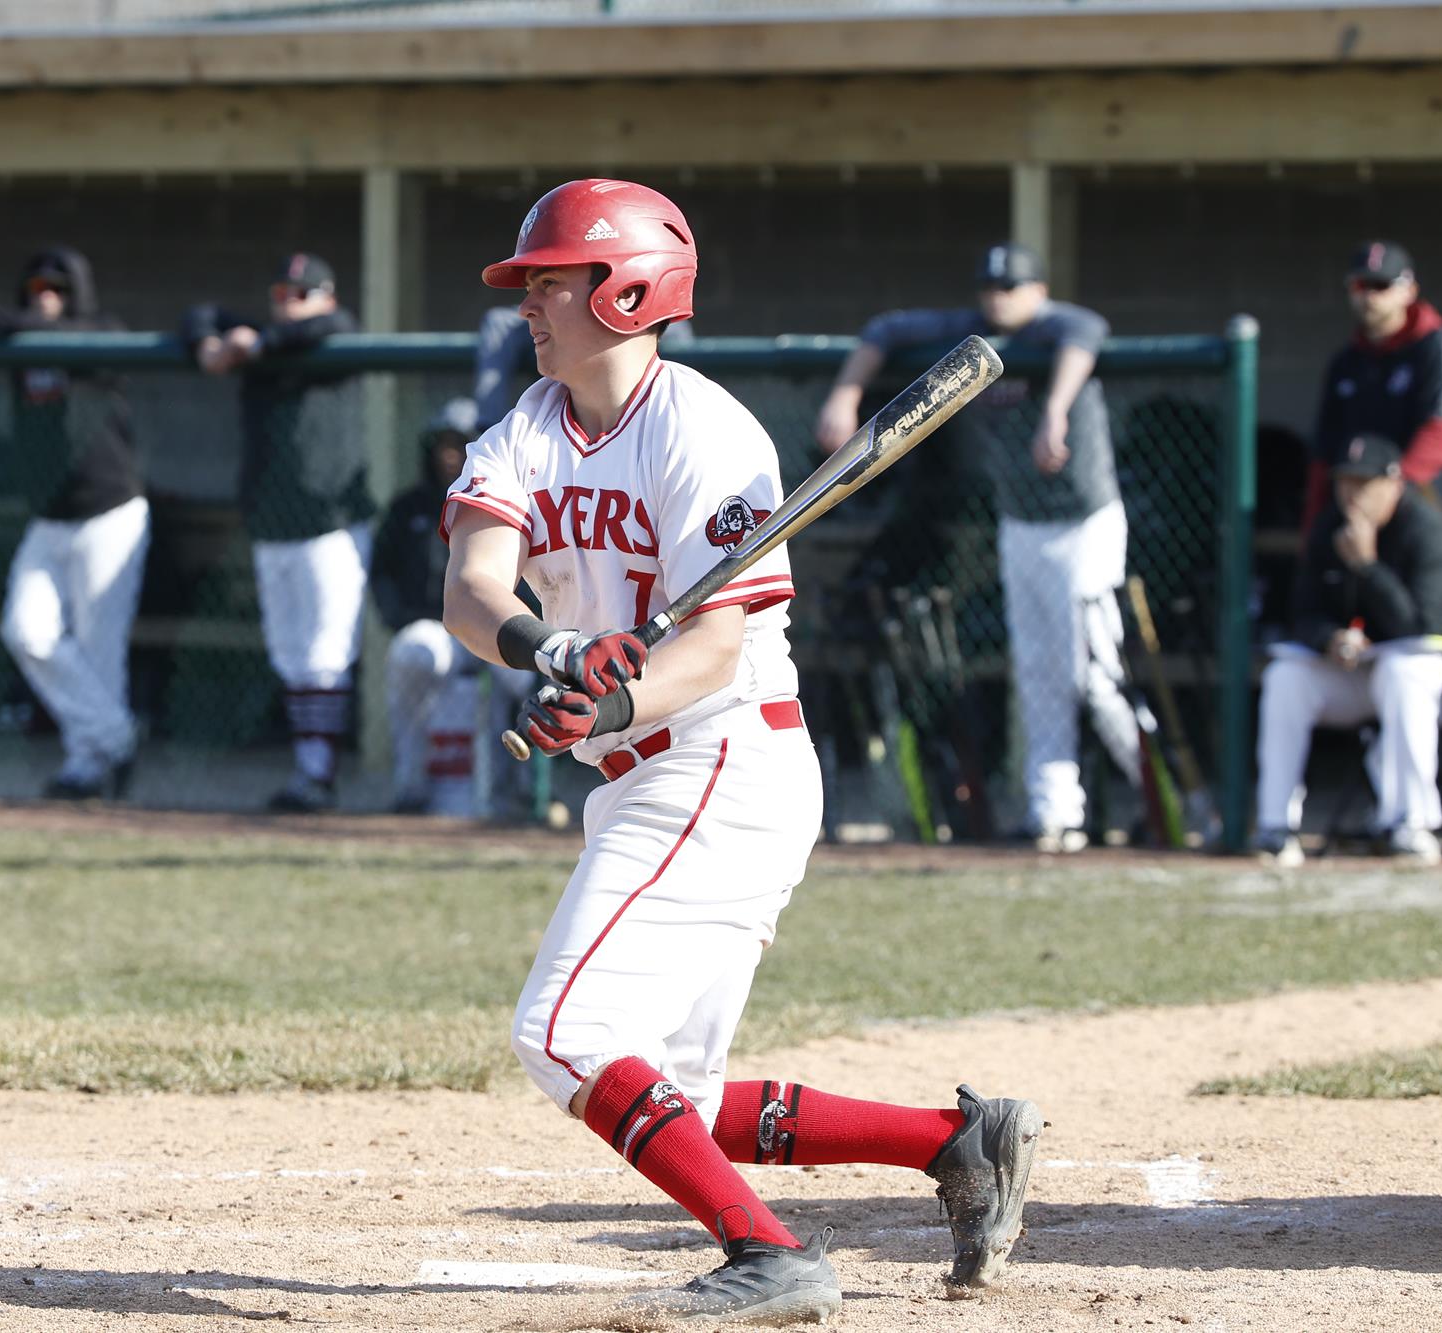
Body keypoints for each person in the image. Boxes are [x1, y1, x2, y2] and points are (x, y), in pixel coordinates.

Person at [441, 178, 1042, 1324]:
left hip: (720, 761)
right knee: (678, 1095)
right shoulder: (525, 426)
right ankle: (957, 1143)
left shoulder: (701, 430)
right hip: (644, 782)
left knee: (561, 1034)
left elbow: (713, 649)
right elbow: (472, 588)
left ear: (624, 290)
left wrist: (612, 706)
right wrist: (554, 649)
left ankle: (767, 1256)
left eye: (550, 280)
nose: (529, 302)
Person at [815, 242, 1140, 852]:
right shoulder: (970, 331)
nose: (999, 298)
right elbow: (884, 329)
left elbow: (1088, 331)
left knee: (1096, 675)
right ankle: (1055, 812)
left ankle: (1159, 791)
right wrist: (845, 393)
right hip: (1020, 520)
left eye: (1013, 287)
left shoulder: (1055, 325)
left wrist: (1056, 411)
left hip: (1085, 521)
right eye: (991, 288)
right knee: (1039, 672)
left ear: (1039, 290)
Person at [0, 247, 149, 800]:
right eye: (37, 288)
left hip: (108, 513)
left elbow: (26, 328)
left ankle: (87, 766)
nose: (46, 297)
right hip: (49, 517)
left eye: (58, 288)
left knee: (99, 652)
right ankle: (116, 738)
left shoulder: (101, 330)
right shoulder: (13, 334)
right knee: (25, 630)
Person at [184, 253, 371, 813]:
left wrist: (258, 344)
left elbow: (332, 326)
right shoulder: (261, 338)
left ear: (324, 294)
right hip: (271, 522)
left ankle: (319, 772)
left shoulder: (329, 336)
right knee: (289, 654)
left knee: (325, 654)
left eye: (300, 293)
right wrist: (213, 345)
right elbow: (199, 314)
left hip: (330, 525)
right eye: (282, 294)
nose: (288, 303)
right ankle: (307, 770)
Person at [1254, 433, 1442, 868]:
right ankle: (1274, 826)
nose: (1352, 495)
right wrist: (1331, 640)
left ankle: (1411, 826)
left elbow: (1423, 628)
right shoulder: (1328, 527)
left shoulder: (1427, 530)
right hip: (1361, 676)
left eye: (1364, 483)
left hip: (1438, 684)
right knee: (1285, 678)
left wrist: (1368, 567)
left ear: (1394, 483)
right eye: (1345, 483)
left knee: (1402, 669)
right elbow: (1302, 613)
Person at [371, 397, 531, 816]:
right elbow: (381, 572)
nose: (448, 455)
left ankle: (534, 789)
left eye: (459, 444)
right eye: (441, 444)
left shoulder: (511, 499)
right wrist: (399, 617)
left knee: (532, 677)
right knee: (411, 652)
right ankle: (410, 786)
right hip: (435, 628)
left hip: (493, 626)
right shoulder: (408, 507)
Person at [1307, 240, 1442, 522]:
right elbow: (1325, 451)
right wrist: (1314, 524)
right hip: (1354, 512)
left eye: (1381, 286)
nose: (1370, 295)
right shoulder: (1346, 361)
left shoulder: (1437, 346)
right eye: (1361, 286)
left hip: (1418, 509)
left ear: (1409, 291)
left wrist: (1391, 490)